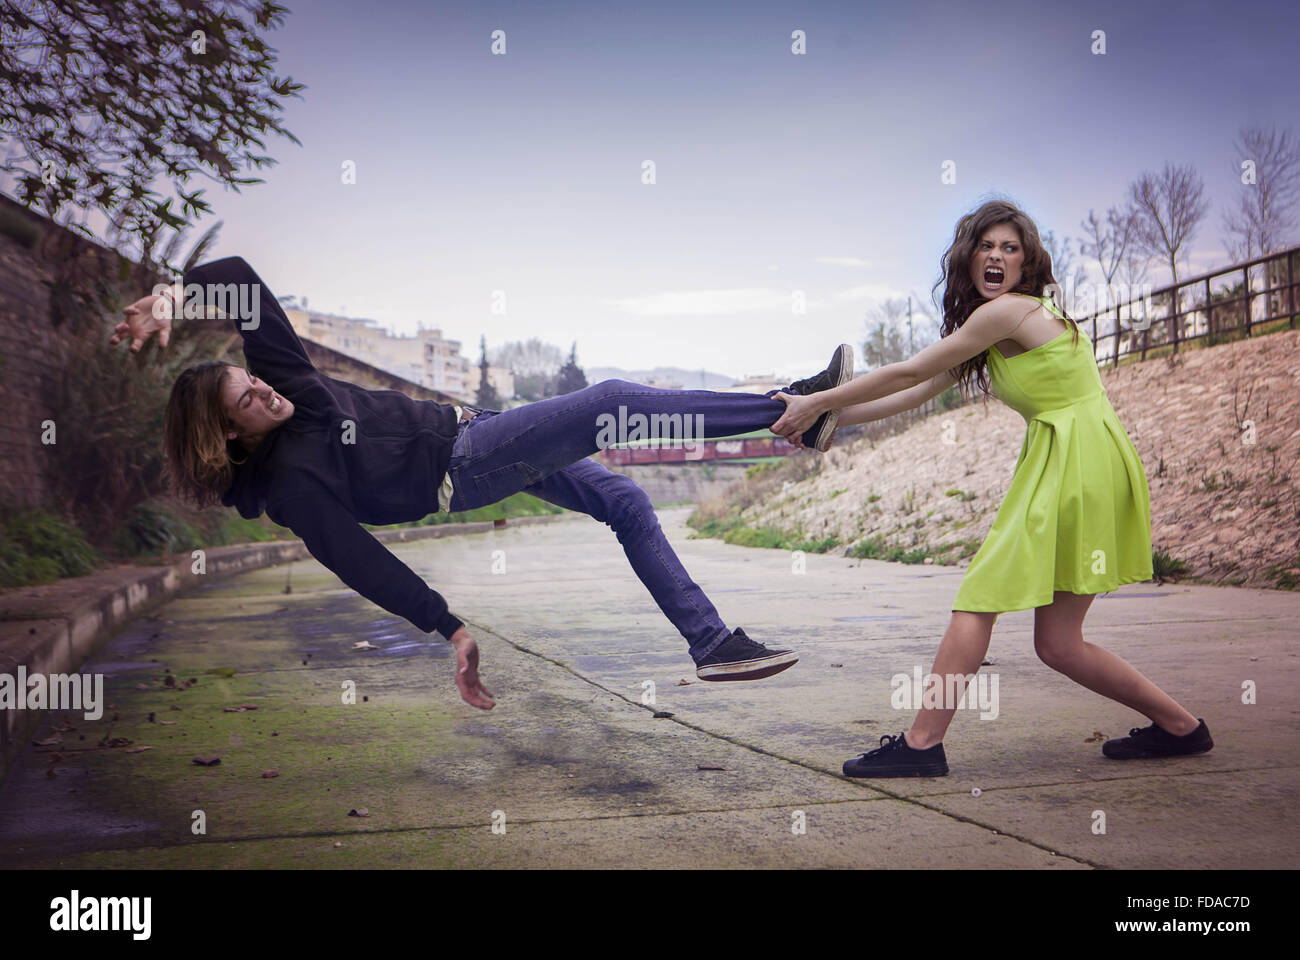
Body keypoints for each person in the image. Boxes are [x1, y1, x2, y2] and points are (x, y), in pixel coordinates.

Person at [111, 256, 856, 709]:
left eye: (253, 383)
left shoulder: (290, 383)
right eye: (249, 403)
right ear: (230, 436)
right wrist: (449, 626)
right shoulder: (294, 487)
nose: (266, 396)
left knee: (624, 500)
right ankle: (788, 411)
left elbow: (240, 280)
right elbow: (363, 562)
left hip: (477, 426)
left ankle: (713, 645)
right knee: (608, 402)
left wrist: (173, 297)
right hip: (465, 463)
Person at [771, 200, 1213, 776]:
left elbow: (906, 369)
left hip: (1076, 462)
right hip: (1082, 458)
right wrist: (826, 424)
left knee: (979, 598)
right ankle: (1183, 728)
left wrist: (821, 399)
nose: (997, 256)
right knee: (1058, 645)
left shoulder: (1010, 313)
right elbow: (912, 393)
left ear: (1027, 261)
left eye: (1010, 247)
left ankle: (923, 746)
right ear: (968, 257)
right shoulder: (993, 328)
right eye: (986, 246)